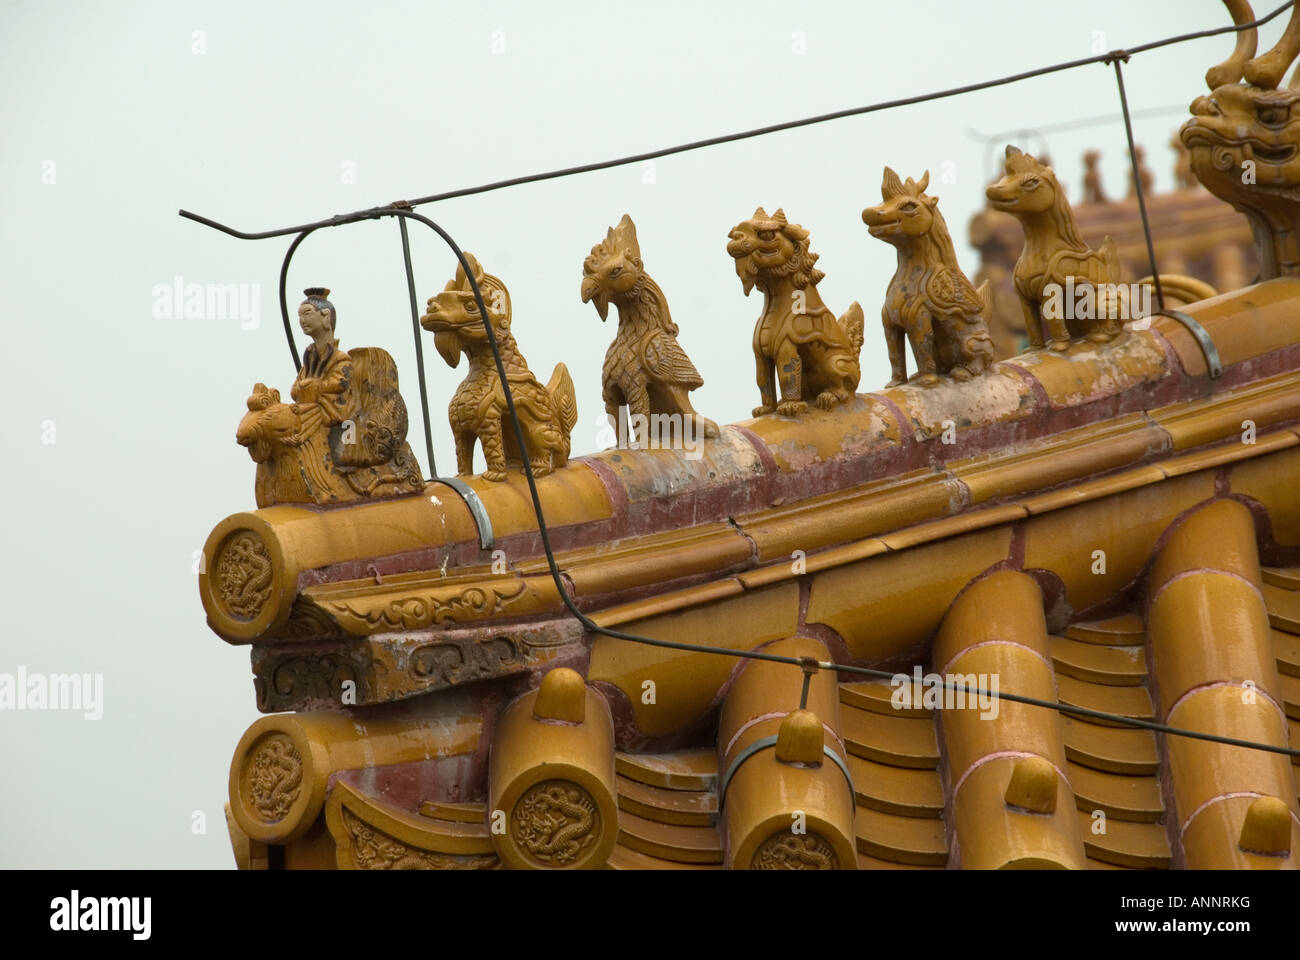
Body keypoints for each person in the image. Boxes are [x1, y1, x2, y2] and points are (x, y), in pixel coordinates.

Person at [291, 287, 352, 431]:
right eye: (299, 316)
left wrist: (311, 386)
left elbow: (340, 383)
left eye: (307, 314)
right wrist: (306, 387)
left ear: (326, 317)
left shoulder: (340, 358)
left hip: (330, 420)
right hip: (307, 415)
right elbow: (294, 391)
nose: (302, 320)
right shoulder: (309, 360)